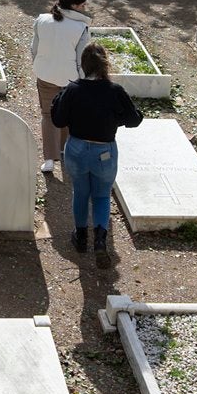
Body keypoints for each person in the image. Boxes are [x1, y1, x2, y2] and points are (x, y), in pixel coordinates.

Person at [50, 43, 143, 261]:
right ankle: (100, 239)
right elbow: (134, 119)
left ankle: (80, 235)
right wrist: (115, 120)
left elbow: (58, 120)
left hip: (77, 148)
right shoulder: (114, 91)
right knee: (102, 195)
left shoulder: (72, 90)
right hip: (105, 151)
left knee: (80, 193)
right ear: (105, 65)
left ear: (82, 65)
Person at [30, 0, 91, 174]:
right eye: (82, 5)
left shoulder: (42, 20)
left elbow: (34, 49)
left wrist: (41, 66)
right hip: (70, 78)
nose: (85, 8)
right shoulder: (81, 28)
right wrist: (83, 80)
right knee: (68, 113)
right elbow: (82, 59)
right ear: (73, 6)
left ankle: (49, 158)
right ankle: (64, 149)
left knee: (48, 115)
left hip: (45, 75)